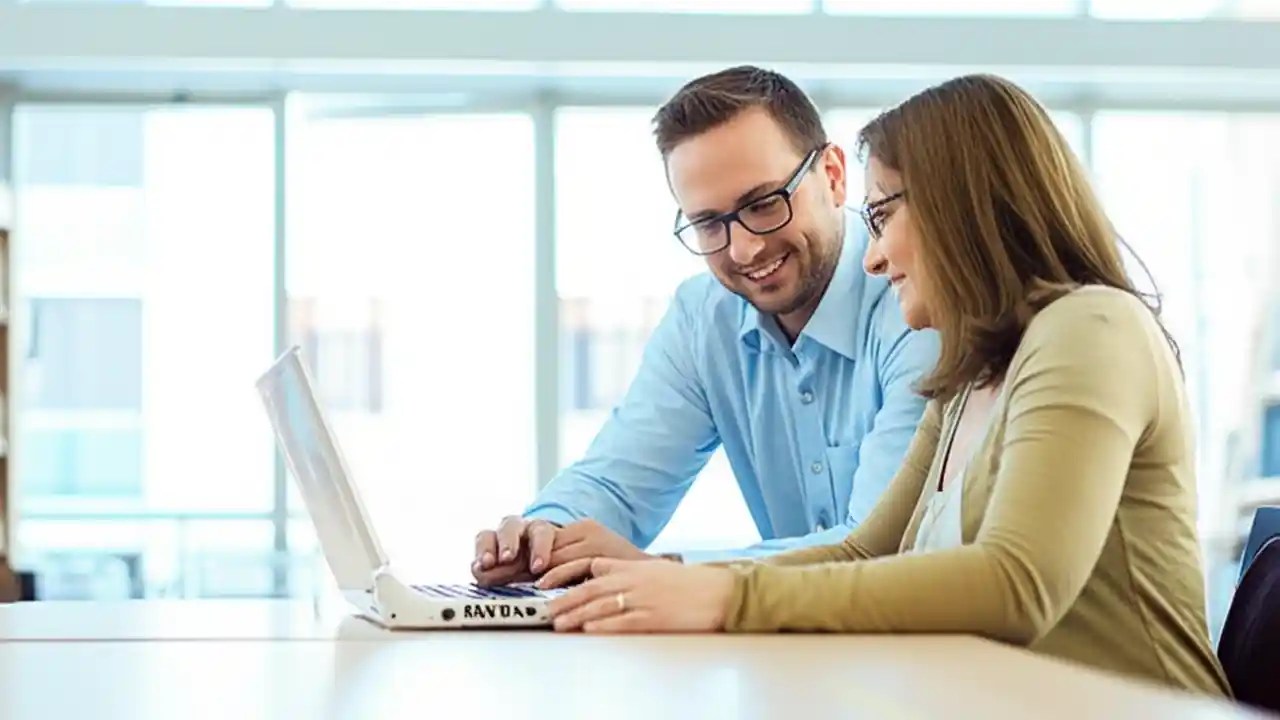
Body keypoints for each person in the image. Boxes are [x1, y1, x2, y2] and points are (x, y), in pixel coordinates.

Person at [539, 73, 1232, 698]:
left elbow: (1015, 584)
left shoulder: (1090, 328)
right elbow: (865, 551)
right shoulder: (970, 375)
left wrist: (723, 598)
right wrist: (677, 585)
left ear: (960, 207)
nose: (871, 258)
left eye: (881, 218)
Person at [471, 66, 940, 585]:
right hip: (794, 650)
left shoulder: (916, 301)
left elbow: (879, 544)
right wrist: (546, 535)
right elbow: (622, 483)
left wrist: (665, 573)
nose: (745, 249)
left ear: (832, 175)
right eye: (709, 223)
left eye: (764, 205)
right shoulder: (704, 317)